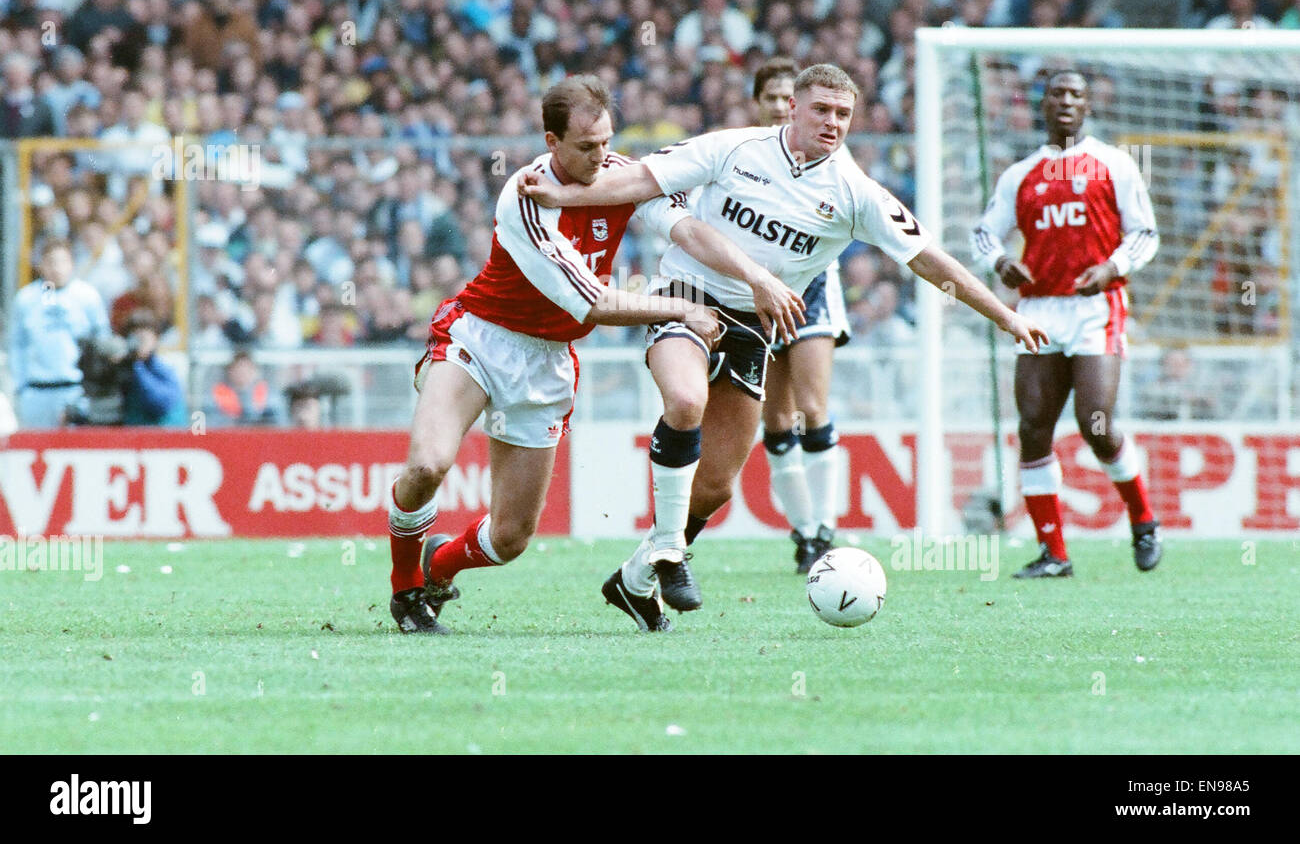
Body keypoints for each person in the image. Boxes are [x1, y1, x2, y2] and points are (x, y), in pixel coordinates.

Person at [522, 63, 1048, 630]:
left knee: (719, 483)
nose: (832, 122)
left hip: (754, 330)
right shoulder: (735, 148)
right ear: (792, 107)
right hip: (686, 296)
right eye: (821, 109)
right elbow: (642, 180)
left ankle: (634, 578)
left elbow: (928, 259)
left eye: (843, 114)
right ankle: (671, 553)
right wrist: (563, 194)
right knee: (684, 401)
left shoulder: (854, 192)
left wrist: (1003, 315)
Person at [391, 75, 801, 635]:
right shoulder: (525, 195)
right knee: (428, 466)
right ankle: (405, 590)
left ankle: (437, 565)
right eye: (586, 147)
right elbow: (589, 304)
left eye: (607, 142)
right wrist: (678, 311)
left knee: (510, 538)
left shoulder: (619, 176)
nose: (600, 157)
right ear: (551, 140)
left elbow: (685, 229)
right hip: (481, 338)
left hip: (547, 362)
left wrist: (752, 275)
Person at [971, 70, 1162, 577]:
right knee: (1033, 429)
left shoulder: (1114, 164)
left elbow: (1144, 234)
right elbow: (984, 235)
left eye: (1076, 94)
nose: (1065, 101)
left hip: (1095, 308)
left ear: (1088, 106)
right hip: (1038, 311)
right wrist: (1002, 265)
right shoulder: (1020, 175)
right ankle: (1054, 554)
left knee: (1095, 423)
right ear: (1043, 104)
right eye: (1057, 93)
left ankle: (1143, 518)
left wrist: (1111, 268)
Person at [751, 57, 856, 572]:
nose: (776, 106)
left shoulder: (830, 155)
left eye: (783, 98)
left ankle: (825, 530)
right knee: (775, 418)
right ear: (760, 104)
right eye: (768, 97)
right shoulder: (742, 154)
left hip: (812, 289)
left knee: (813, 407)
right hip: (754, 296)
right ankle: (802, 531)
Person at [8, 239, 109, 428]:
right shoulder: (27, 298)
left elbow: (101, 339)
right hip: (37, 389)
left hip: (75, 388)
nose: (57, 268)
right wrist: (21, 385)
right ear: (41, 265)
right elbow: (17, 344)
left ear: (72, 263)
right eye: (51, 262)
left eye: (62, 261)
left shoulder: (86, 296)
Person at [120, 309, 187, 426]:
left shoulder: (165, 370)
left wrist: (137, 365)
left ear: (156, 339)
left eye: (143, 339)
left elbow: (159, 404)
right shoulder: (124, 368)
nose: (138, 343)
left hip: (166, 437)